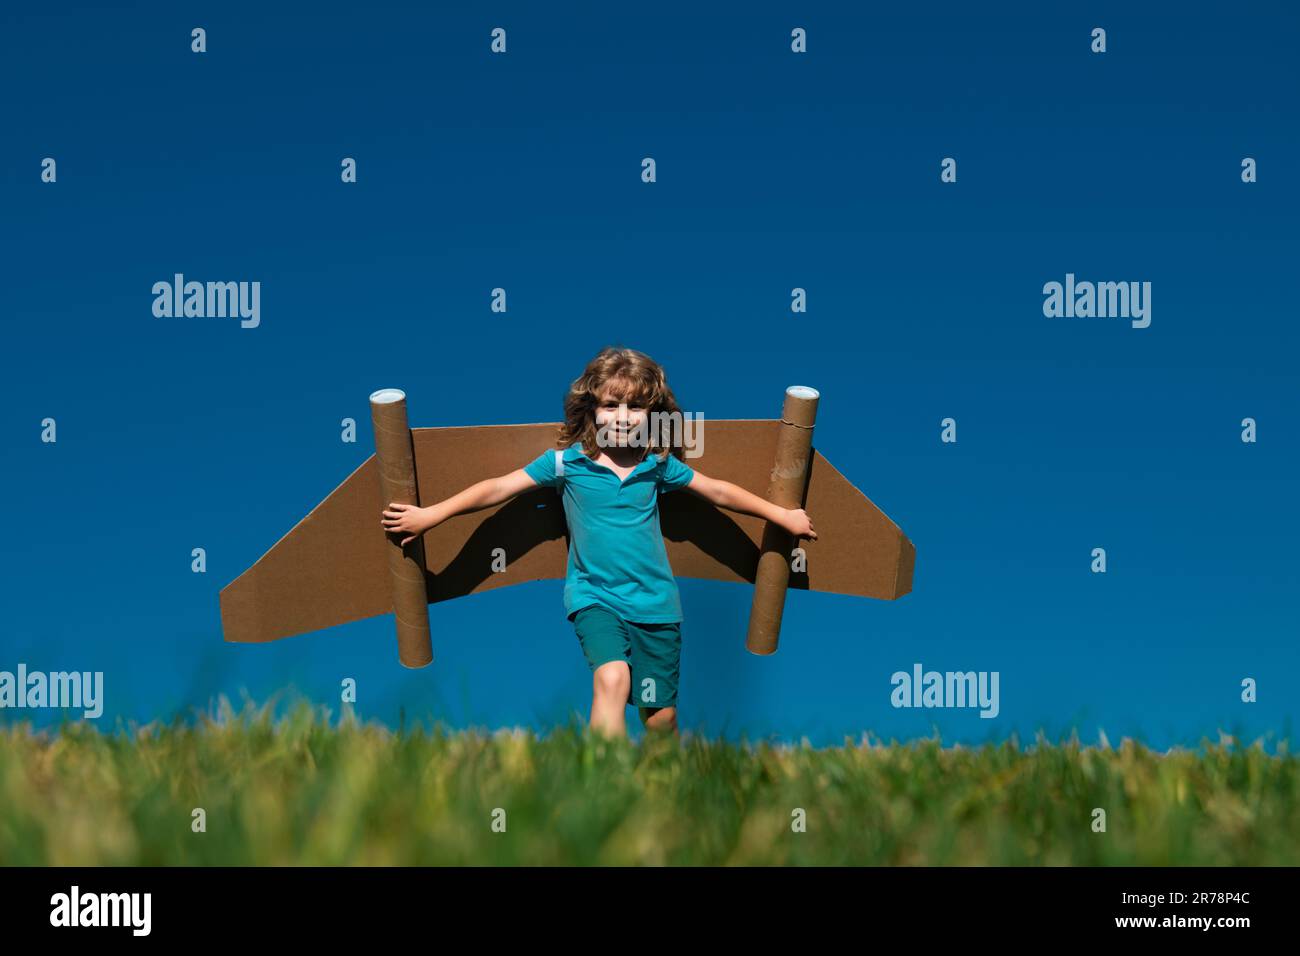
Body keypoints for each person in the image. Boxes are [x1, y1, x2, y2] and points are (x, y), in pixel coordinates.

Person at [381, 346, 815, 740]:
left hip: (657, 606)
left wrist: (782, 515)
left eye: (636, 406)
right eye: (611, 405)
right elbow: (497, 489)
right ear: (591, 410)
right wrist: (431, 514)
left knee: (659, 719)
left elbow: (719, 492)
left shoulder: (657, 467)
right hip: (595, 597)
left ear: (655, 414)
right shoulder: (567, 464)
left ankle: (664, 793)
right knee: (612, 677)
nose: (622, 416)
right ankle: (598, 775)